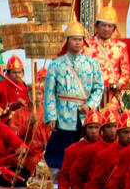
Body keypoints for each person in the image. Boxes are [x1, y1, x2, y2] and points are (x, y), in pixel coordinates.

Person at [42, 21, 104, 170]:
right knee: (60, 150)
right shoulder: (56, 65)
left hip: (84, 113)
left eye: (80, 39)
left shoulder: (92, 64)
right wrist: (51, 116)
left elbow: (99, 88)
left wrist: (89, 105)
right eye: (74, 39)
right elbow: (49, 92)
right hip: (63, 112)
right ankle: (58, 179)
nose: (78, 42)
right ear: (67, 40)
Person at [87, 5, 130, 106]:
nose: (106, 29)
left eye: (110, 26)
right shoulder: (86, 46)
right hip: (91, 97)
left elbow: (126, 73)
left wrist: (119, 84)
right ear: (96, 26)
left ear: (114, 29)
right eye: (103, 25)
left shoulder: (120, 47)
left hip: (112, 98)